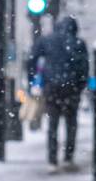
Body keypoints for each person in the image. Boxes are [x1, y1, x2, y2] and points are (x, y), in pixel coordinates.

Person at [27, 15, 88, 172]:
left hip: (52, 87)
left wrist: (33, 79)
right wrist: (80, 86)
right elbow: (84, 68)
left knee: (53, 124)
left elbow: (31, 59)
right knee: (71, 123)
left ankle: (52, 161)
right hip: (71, 88)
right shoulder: (79, 43)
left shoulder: (47, 40)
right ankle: (68, 158)